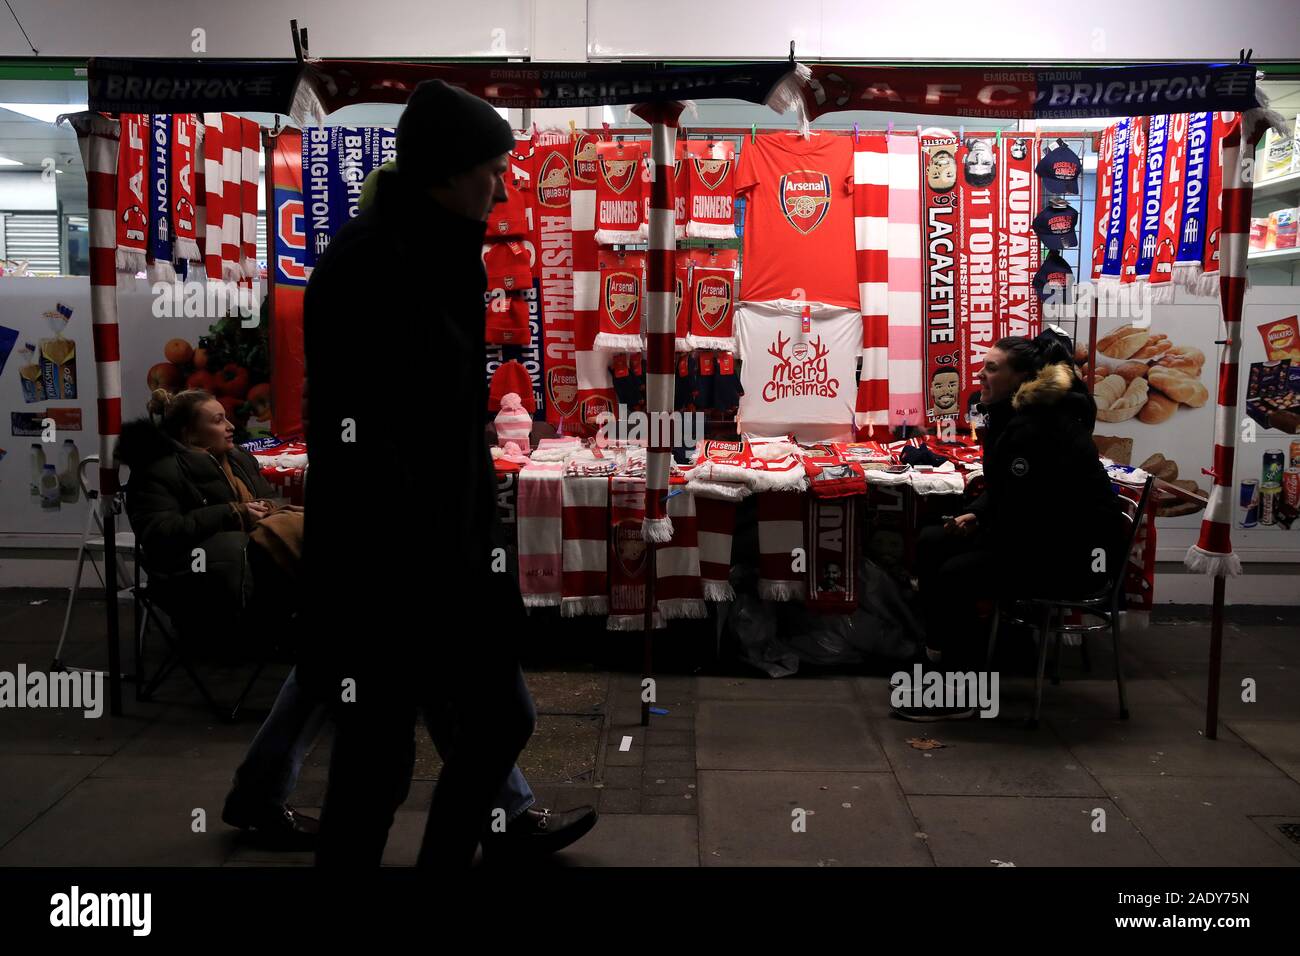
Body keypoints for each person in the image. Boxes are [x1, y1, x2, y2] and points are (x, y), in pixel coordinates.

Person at [218, 159, 594, 858]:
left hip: (394, 563)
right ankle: (501, 820)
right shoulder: (387, 268)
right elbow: (392, 439)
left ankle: (497, 816)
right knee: (415, 735)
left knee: (389, 721)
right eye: (486, 173)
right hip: (401, 561)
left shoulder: (393, 263)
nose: (500, 193)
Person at [897, 331, 1124, 720]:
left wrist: (983, 527)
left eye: (991, 369)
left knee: (957, 573)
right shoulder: (1020, 414)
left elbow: (1031, 514)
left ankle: (962, 691)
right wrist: (979, 514)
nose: (980, 376)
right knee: (932, 541)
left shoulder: (1039, 426)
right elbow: (1011, 491)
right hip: (1044, 539)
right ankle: (937, 656)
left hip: (1071, 558)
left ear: (1021, 379)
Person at [119, 389, 315, 837]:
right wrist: (233, 512)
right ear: (190, 432)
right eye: (218, 420)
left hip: (257, 561)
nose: (230, 426)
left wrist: (269, 509)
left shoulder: (241, 459)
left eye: (228, 419)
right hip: (208, 579)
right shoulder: (157, 472)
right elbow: (161, 534)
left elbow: (268, 501)